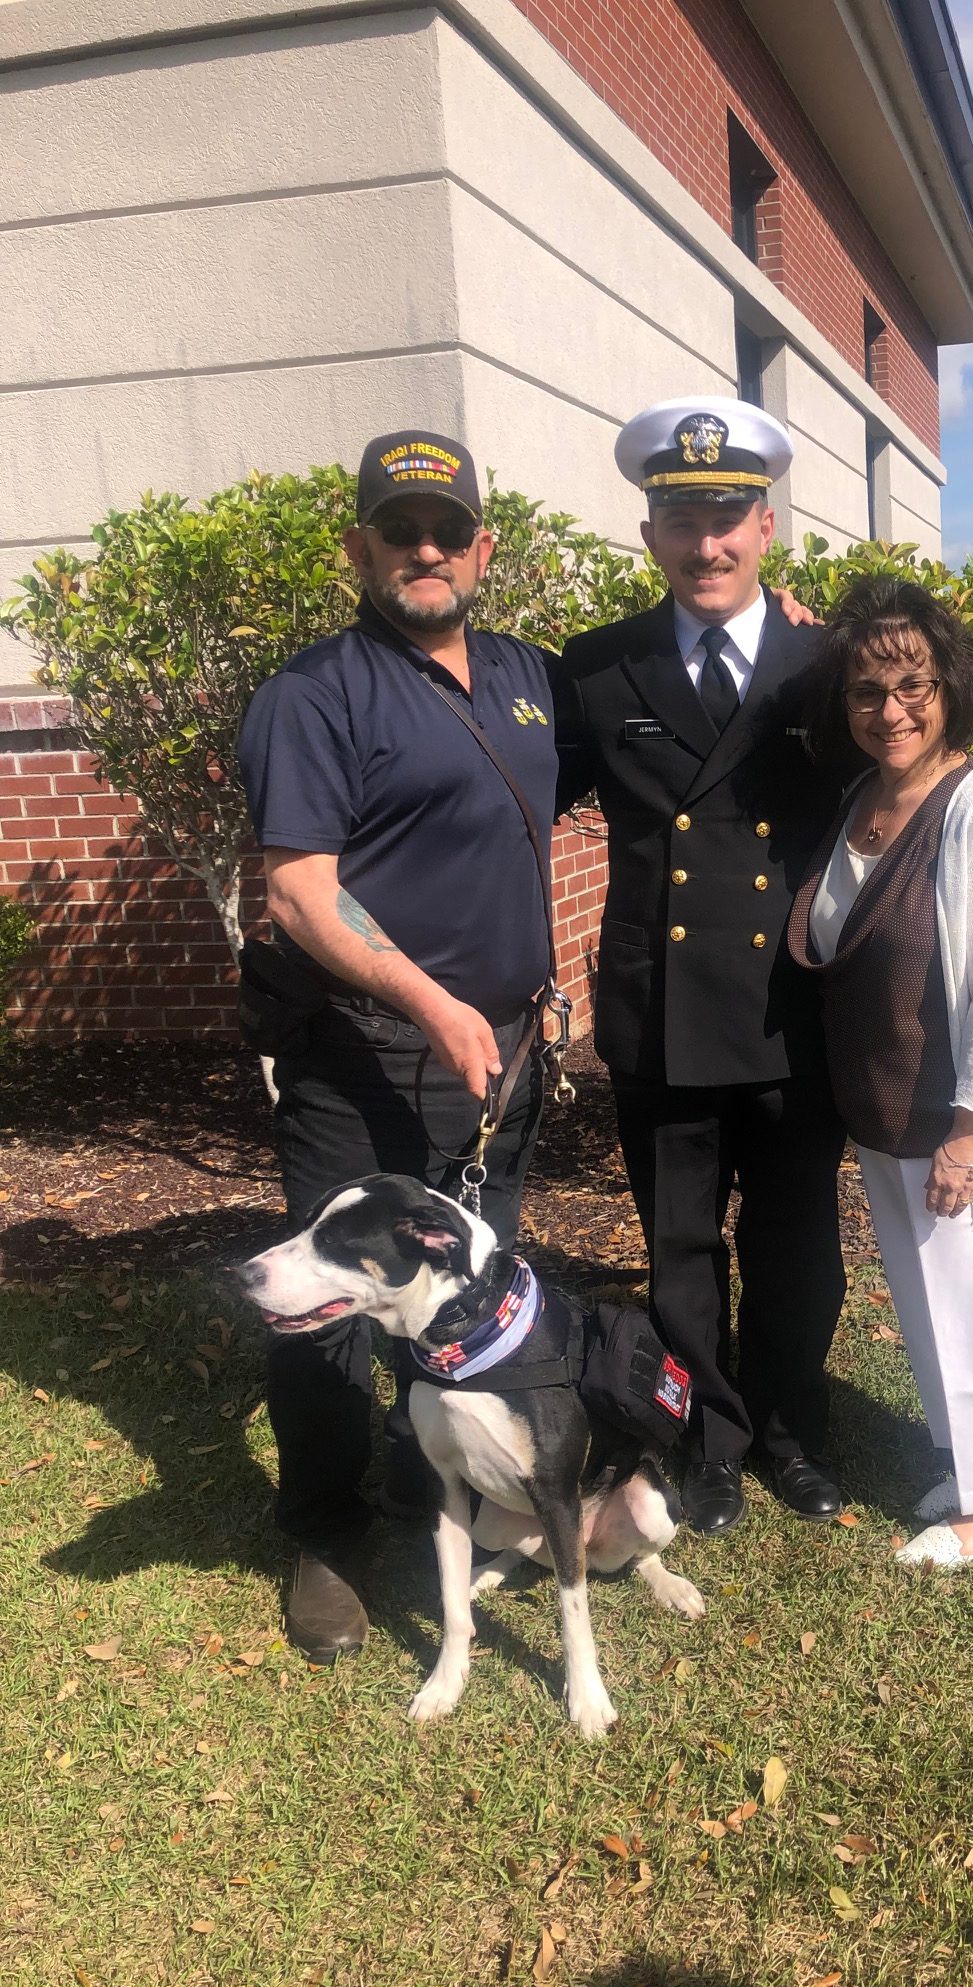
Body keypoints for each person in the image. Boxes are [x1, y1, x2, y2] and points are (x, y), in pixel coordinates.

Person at [236, 430, 558, 1659]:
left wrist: (780, 626)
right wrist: (434, 1002)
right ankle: (324, 1534)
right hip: (366, 1056)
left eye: (446, 529)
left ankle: (447, 1499)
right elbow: (302, 894)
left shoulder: (529, 677)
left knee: (468, 1299)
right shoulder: (313, 696)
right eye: (397, 529)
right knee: (328, 1305)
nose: (424, 550)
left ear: (484, 546)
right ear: (358, 548)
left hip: (504, 1058)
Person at [554, 398, 849, 1537]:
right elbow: (507, 791)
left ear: (766, 527)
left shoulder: (828, 666)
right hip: (661, 1012)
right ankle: (709, 1440)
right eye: (682, 521)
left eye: (727, 517)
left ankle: (789, 1431)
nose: (706, 543)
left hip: (791, 1009)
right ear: (649, 536)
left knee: (795, 1245)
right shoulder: (597, 670)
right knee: (680, 1249)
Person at [786, 576, 973, 1569]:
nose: (890, 709)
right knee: (932, 1304)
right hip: (885, 1115)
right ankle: (972, 1461)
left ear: (953, 687)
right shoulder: (865, 795)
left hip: (955, 1125)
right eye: (865, 689)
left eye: (913, 685)